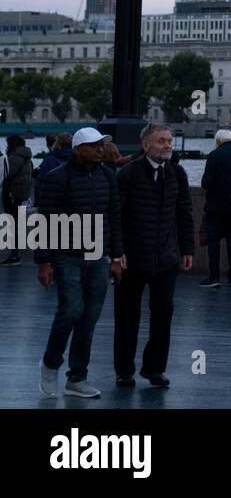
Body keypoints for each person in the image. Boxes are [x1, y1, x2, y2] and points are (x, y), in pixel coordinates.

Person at [35, 127, 123, 399]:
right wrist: (44, 262)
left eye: (102, 145)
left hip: (98, 257)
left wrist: (117, 257)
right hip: (66, 257)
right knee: (70, 311)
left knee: (89, 320)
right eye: (94, 145)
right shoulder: (57, 178)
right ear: (78, 149)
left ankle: (77, 378)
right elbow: (44, 222)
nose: (100, 149)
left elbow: (115, 218)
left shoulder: (108, 176)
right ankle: (51, 364)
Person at [112, 123, 195, 389]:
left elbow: (184, 213)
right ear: (145, 145)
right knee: (127, 317)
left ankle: (154, 368)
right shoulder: (128, 174)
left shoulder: (177, 173)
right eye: (161, 141)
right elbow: (115, 217)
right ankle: (124, 370)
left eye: (169, 141)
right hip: (132, 258)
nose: (168, 146)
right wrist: (117, 252)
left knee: (163, 315)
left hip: (166, 258)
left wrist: (188, 249)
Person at [199, 129, 231, 288]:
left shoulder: (214, 155)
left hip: (215, 205)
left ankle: (214, 277)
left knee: (213, 241)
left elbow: (206, 182)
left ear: (218, 141)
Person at [1, 135, 34, 265]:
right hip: (22, 195)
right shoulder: (28, 158)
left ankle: (14, 255)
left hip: (12, 194)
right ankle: (16, 252)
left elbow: (6, 174)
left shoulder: (14, 158)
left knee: (12, 224)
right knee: (18, 224)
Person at [34, 132, 73, 204]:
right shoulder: (79, 159)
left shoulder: (49, 160)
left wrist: (37, 204)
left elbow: (40, 185)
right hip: (74, 204)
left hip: (53, 202)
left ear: (57, 143)